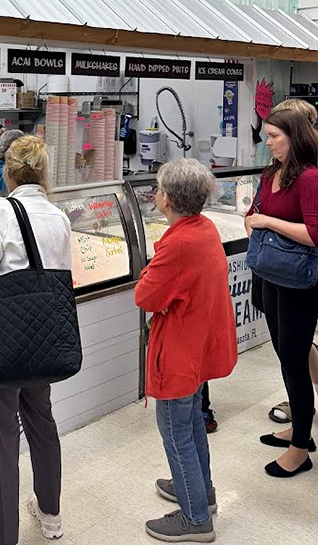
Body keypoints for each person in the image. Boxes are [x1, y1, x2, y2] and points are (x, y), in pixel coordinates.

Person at [0, 136, 71, 545]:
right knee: (42, 424)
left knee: (1, 436)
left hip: (3, 341)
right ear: (43, 171)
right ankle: (51, 518)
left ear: (8, 172)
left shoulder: (3, 212)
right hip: (43, 336)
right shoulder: (58, 216)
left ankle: (4, 535)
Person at [135, 158, 237, 543]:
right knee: (192, 421)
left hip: (179, 351)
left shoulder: (177, 243)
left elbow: (145, 296)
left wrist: (150, 276)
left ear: (166, 198)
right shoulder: (204, 228)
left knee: (175, 430)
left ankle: (196, 519)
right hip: (199, 346)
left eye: (159, 188)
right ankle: (201, 492)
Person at [245, 108, 318, 476]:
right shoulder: (271, 173)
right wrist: (253, 219)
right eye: (267, 135)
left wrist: (268, 222)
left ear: (295, 136)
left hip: (299, 284)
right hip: (269, 275)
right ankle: (299, 427)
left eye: (275, 136)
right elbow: (254, 210)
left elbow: (314, 234)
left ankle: (300, 449)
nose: (268, 142)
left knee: (294, 360)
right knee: (286, 354)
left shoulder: (309, 179)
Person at [266, 99, 318, 425]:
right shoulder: (279, 168)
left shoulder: (310, 173)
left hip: (304, 273)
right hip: (279, 270)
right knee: (292, 348)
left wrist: (269, 223)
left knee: (296, 349)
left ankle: (301, 407)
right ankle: (302, 403)